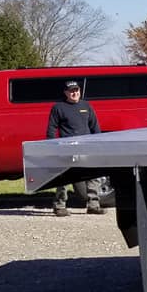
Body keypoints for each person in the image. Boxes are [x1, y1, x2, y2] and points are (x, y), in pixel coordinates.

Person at [46, 80, 104, 216]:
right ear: (66, 92)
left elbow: (94, 126)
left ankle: (93, 205)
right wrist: (51, 146)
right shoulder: (58, 107)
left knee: (93, 176)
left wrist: (99, 142)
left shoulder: (86, 106)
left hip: (86, 146)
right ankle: (59, 206)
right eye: (71, 91)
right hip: (66, 147)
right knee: (63, 178)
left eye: (76, 90)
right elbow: (51, 128)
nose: (75, 93)